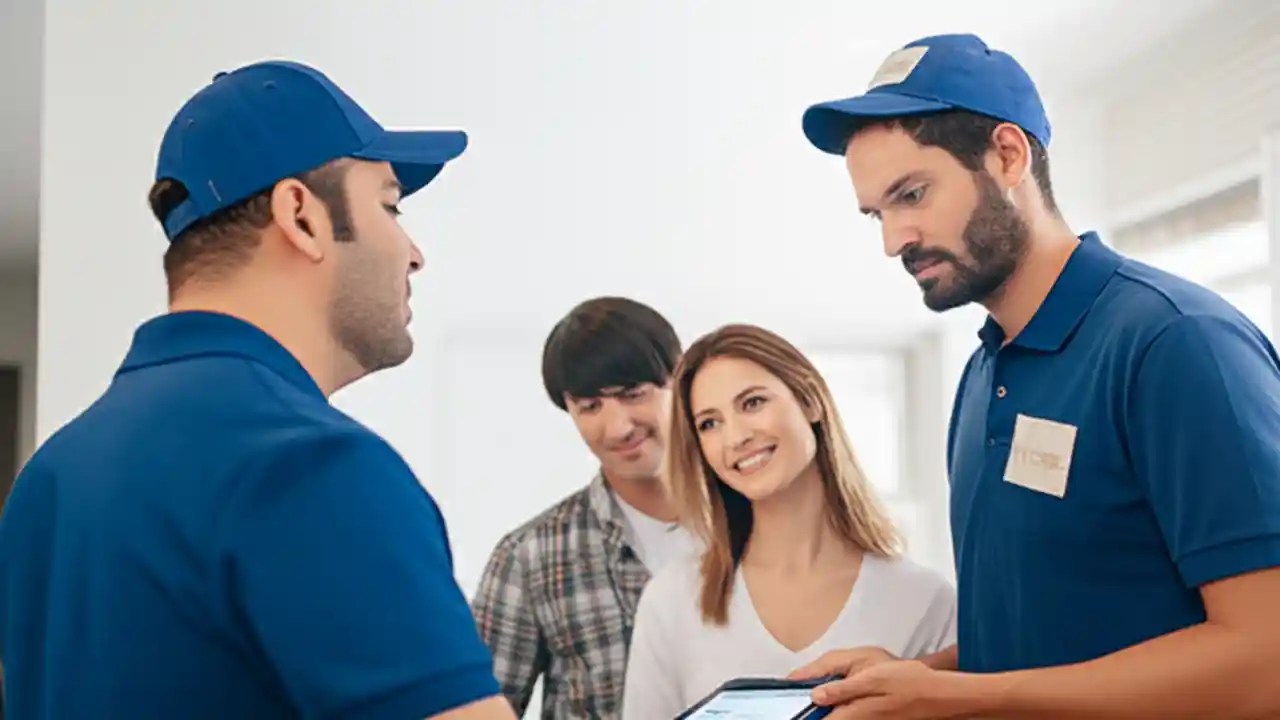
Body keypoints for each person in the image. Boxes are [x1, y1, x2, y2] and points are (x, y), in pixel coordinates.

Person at [0, 60, 517, 719]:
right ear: (300, 215)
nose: (414, 253)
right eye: (389, 206)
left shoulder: (49, 479)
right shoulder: (314, 467)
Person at [788, 33, 1280, 719]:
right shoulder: (981, 373)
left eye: (912, 194)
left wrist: (967, 700)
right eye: (878, 212)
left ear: (1008, 155)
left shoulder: (1176, 342)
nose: (893, 239)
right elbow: (1055, 635)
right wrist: (915, 680)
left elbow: (1266, 660)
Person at [620, 323, 956, 720]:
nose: (736, 437)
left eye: (752, 403)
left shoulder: (923, 601)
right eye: (710, 424)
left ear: (810, 401)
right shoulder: (673, 600)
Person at [472, 296, 700, 719]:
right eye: (590, 407)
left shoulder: (760, 523)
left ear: (681, 379)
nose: (618, 427)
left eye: (634, 394)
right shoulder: (531, 556)